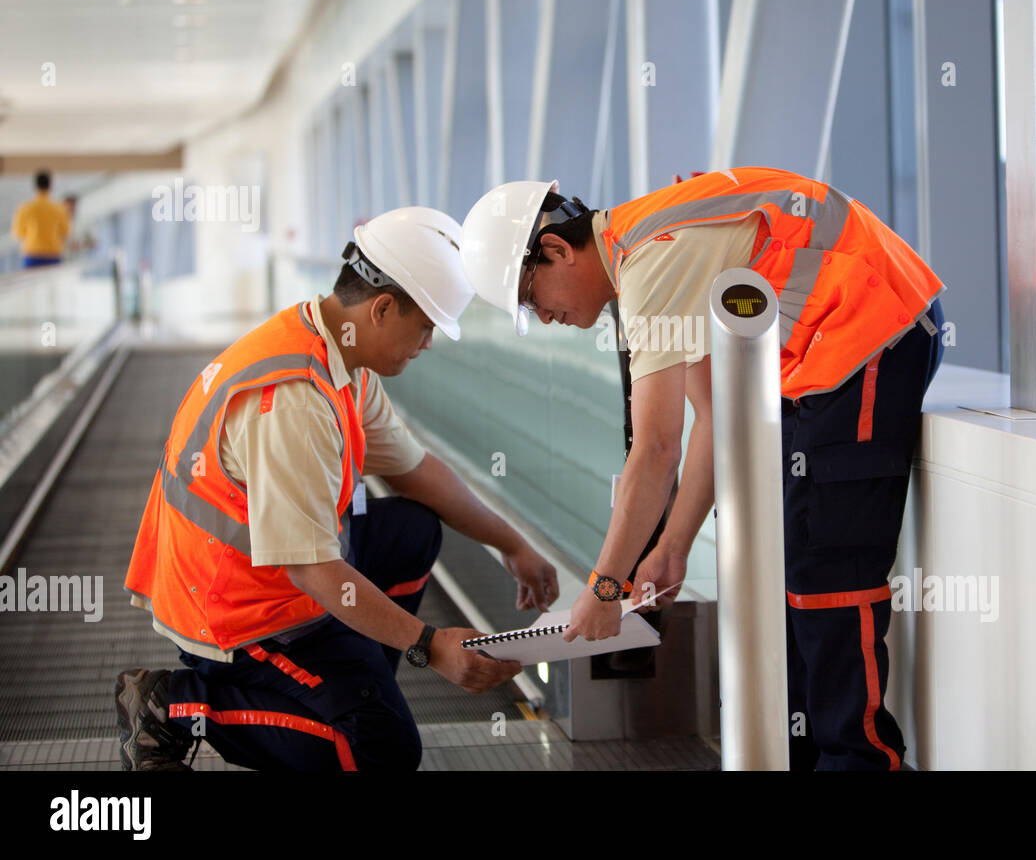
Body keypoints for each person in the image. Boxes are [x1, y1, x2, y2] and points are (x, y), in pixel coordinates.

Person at [459, 167, 945, 770]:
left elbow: (657, 450)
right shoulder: (650, 250)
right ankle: (803, 756)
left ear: (557, 249)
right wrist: (672, 546)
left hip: (873, 331)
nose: (545, 317)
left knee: (828, 572)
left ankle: (861, 762)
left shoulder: (651, 260)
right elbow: (714, 411)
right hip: (821, 362)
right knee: (791, 562)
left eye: (533, 298)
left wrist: (605, 586)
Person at [118, 206, 558, 772]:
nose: (427, 345)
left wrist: (512, 543)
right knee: (380, 750)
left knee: (412, 527)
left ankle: (353, 685)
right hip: (236, 611)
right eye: (425, 327)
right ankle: (172, 705)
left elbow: (417, 472)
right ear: (381, 308)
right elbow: (313, 571)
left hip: (278, 575)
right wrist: (428, 644)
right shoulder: (294, 399)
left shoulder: (337, 354)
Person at [10, 169, 70, 267]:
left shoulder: (25, 208)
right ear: (50, 186)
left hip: (32, 254)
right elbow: (65, 232)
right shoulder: (59, 209)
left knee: (32, 282)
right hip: (53, 254)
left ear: (35, 186)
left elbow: (18, 233)